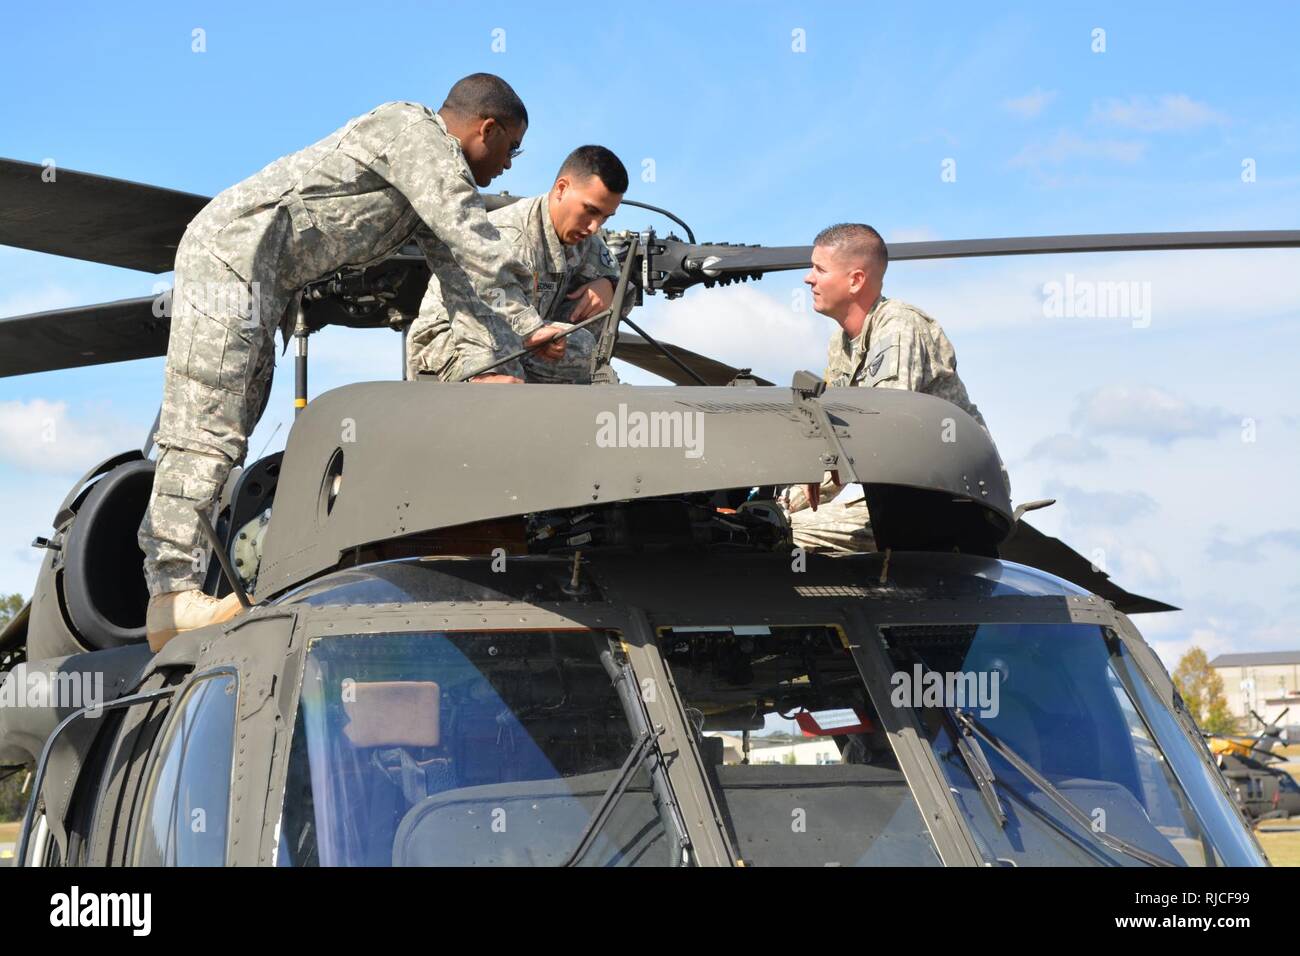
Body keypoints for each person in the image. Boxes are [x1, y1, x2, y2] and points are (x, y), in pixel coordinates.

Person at [139, 73, 565, 649]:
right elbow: (473, 235)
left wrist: (505, 359)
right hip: (231, 265)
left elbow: (466, 282)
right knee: (207, 429)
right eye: (512, 148)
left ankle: (176, 594)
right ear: (486, 129)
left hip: (262, 282)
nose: (511, 166)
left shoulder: (426, 189)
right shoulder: (415, 137)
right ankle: (171, 595)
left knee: (231, 426)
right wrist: (533, 322)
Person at [783, 222, 1004, 550]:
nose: (808, 278)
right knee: (774, 523)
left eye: (819, 269)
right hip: (903, 500)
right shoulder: (842, 344)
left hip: (950, 505)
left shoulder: (898, 326)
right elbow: (837, 437)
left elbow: (882, 429)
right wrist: (786, 500)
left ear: (856, 280)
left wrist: (795, 498)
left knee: (781, 534)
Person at [407, 144, 627, 383]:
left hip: (519, 339)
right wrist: (487, 371)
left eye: (605, 216)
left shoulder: (584, 240)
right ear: (562, 189)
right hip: (454, 343)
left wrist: (610, 286)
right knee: (506, 378)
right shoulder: (506, 236)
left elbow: (617, 280)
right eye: (590, 210)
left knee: (584, 346)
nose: (595, 226)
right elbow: (478, 311)